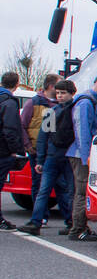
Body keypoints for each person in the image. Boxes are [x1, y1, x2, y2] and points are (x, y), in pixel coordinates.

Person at [16, 79, 75, 236]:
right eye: (58, 93)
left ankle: (42, 222)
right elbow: (43, 137)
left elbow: (44, 137)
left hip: (59, 156)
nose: (60, 96)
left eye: (63, 93)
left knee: (58, 190)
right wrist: (41, 159)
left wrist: (42, 158)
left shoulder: (58, 111)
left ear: (71, 94)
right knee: (54, 190)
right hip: (60, 156)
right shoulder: (61, 111)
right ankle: (46, 222)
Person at [65, 73, 97, 241]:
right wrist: (86, 156)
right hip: (80, 154)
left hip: (79, 153)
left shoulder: (90, 101)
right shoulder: (86, 102)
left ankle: (80, 226)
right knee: (81, 192)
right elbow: (82, 131)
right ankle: (77, 229)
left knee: (81, 191)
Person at [0, 71, 27, 231]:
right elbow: (10, 129)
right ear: (17, 84)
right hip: (3, 151)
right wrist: (16, 150)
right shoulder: (9, 103)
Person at [20, 73, 60, 157]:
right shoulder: (33, 103)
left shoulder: (61, 104)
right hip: (35, 150)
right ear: (51, 86)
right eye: (59, 85)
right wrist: (28, 145)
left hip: (54, 151)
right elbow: (22, 125)